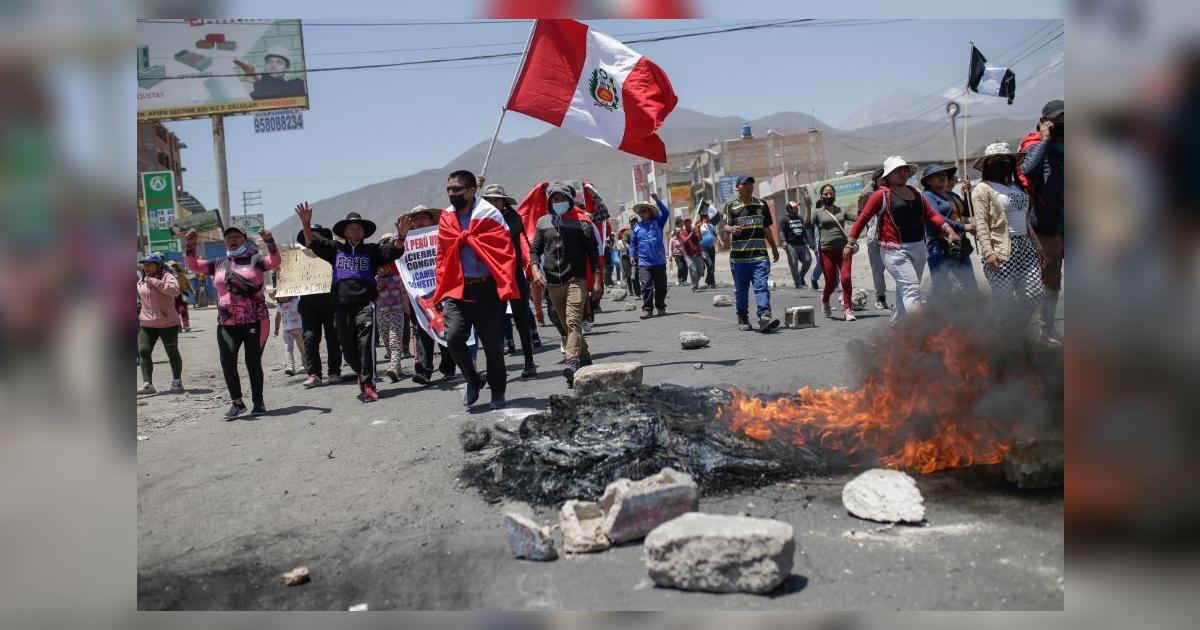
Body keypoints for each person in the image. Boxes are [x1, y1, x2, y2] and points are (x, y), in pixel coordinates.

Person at [424, 170, 519, 410]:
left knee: (492, 345)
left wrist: (473, 240)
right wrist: (441, 288)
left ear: (471, 190)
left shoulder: (488, 214)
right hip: (458, 290)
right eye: (449, 190)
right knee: (453, 337)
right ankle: (473, 379)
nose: (452, 194)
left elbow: (504, 250)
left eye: (457, 189)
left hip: (486, 290)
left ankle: (498, 391)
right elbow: (443, 255)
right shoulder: (446, 218)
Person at [293, 205, 405, 403]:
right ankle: (360, 373)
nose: (355, 231)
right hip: (341, 308)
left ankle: (369, 383)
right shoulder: (335, 250)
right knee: (348, 349)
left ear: (364, 232)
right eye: (351, 228)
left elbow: (392, 251)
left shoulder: (371, 251)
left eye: (359, 228)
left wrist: (401, 237)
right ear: (344, 232)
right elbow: (311, 241)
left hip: (365, 305)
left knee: (366, 344)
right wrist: (306, 223)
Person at [845, 157, 961, 325]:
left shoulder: (916, 193)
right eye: (897, 170)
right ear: (888, 175)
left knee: (904, 289)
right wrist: (851, 242)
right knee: (911, 289)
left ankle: (897, 327)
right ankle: (922, 330)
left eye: (905, 169)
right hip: (894, 250)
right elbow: (863, 217)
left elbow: (932, 215)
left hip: (919, 248)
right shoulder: (881, 195)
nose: (902, 172)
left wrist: (949, 230)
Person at [185, 225, 280, 418]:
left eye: (237, 236)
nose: (233, 240)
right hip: (227, 323)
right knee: (227, 361)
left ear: (244, 240)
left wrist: (270, 241)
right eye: (229, 238)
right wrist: (190, 245)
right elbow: (193, 265)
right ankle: (237, 403)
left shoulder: (256, 260)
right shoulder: (218, 263)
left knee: (252, 362)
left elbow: (275, 261)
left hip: (254, 320)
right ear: (225, 242)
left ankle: (258, 402)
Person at [530, 181, 604, 388]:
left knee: (573, 322)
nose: (559, 202)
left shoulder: (582, 222)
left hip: (576, 280)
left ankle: (572, 361)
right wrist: (535, 269)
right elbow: (534, 250)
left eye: (563, 198)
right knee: (567, 326)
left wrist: (597, 280)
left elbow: (593, 254)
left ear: (570, 201)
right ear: (549, 202)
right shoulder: (543, 223)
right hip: (552, 283)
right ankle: (586, 357)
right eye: (555, 199)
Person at [971, 142, 1048, 337]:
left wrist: (1037, 247)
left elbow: (1025, 220)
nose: (1002, 163)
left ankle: (1015, 328)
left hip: (1025, 245)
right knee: (1003, 299)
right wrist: (988, 252)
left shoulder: (1017, 187)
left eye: (1006, 159)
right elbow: (981, 223)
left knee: (1034, 292)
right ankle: (999, 337)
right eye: (996, 160)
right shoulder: (983, 189)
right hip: (1000, 248)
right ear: (988, 164)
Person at [481, 183, 539, 378]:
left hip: (513, 275)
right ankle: (497, 367)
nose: (492, 203)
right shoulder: (479, 220)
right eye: (488, 199)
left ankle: (529, 361)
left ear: (503, 201)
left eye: (496, 199)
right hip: (491, 277)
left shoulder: (513, 218)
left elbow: (502, 235)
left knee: (521, 318)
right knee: (494, 323)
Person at [1019, 99, 1065, 343]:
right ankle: (1042, 329)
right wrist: (1045, 139)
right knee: (1049, 281)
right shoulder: (1035, 144)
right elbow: (1026, 171)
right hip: (1048, 226)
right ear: (1046, 122)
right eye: (1059, 121)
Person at [721, 176, 781, 332]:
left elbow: (766, 228)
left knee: (761, 286)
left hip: (759, 255)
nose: (749, 186)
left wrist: (774, 247)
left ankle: (764, 316)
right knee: (741, 291)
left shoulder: (761, 204)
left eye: (751, 183)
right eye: (745, 184)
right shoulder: (730, 206)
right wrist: (731, 229)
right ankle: (742, 316)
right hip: (739, 258)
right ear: (738, 187)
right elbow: (725, 225)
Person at [294, 223, 343, 388]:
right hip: (308, 305)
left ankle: (334, 372)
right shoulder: (297, 259)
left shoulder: (333, 255)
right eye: (309, 235)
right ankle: (314, 374)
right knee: (309, 337)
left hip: (331, 303)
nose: (312, 238)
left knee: (333, 337)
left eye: (315, 235)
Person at [920, 163, 979, 301]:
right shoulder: (928, 196)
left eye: (944, 174)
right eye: (937, 175)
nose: (942, 177)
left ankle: (971, 316)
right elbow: (936, 217)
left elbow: (967, 211)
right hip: (938, 245)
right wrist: (963, 227)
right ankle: (936, 316)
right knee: (943, 286)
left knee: (969, 283)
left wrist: (967, 195)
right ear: (928, 181)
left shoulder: (952, 195)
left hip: (959, 244)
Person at [136, 253, 184, 395]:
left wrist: (156, 283)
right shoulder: (142, 279)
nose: (146, 267)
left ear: (158, 266)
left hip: (167, 322)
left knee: (171, 351)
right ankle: (148, 383)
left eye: (149, 264)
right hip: (147, 322)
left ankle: (177, 380)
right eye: (144, 264)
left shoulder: (167, 276)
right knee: (143, 350)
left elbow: (175, 291)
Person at [813, 184, 859, 321]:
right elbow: (807, 224)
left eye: (831, 193)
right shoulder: (817, 212)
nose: (828, 196)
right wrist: (808, 210)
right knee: (831, 283)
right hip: (826, 251)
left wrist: (861, 205)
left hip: (844, 250)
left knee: (845, 278)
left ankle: (848, 309)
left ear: (834, 195)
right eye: (825, 194)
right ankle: (825, 300)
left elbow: (858, 218)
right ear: (821, 196)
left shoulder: (841, 211)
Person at [629, 193, 671, 319]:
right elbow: (633, 244)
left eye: (645, 210)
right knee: (646, 285)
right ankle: (647, 309)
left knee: (661, 286)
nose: (642, 213)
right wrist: (632, 255)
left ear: (650, 212)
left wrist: (657, 200)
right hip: (644, 263)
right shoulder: (637, 227)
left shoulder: (658, 222)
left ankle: (660, 306)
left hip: (659, 261)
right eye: (640, 211)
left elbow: (666, 212)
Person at [375, 238, 408, 383]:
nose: (383, 270)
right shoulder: (374, 280)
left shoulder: (397, 278)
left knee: (394, 340)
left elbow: (404, 295)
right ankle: (397, 366)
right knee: (386, 341)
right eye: (380, 267)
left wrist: (407, 311)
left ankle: (393, 367)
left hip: (396, 312)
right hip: (381, 314)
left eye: (386, 267)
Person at [857, 167, 891, 309]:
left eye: (887, 177)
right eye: (882, 178)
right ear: (876, 180)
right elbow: (861, 216)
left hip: (891, 237)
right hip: (874, 238)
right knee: (877, 270)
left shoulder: (894, 194)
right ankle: (880, 297)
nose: (885, 180)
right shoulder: (868, 196)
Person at [234, 47, 307, 100]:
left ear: (286, 68)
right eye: (269, 62)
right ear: (265, 67)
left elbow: (280, 91)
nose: (273, 65)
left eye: (279, 62)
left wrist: (260, 78)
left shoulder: (296, 85)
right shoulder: (252, 96)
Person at [779, 200, 814, 289]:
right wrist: (783, 241)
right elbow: (781, 231)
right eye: (794, 208)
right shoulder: (784, 219)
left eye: (796, 207)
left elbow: (804, 229)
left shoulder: (800, 218)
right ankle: (798, 283)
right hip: (791, 245)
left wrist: (809, 242)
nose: (796, 209)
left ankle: (801, 275)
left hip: (802, 244)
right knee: (794, 264)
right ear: (789, 209)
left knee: (808, 260)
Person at [271, 289, 305, 376]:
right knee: (288, 348)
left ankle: (305, 364)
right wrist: (276, 329)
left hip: (299, 328)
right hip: (287, 330)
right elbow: (277, 318)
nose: (281, 298)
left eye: (283, 295)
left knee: (302, 348)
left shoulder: (297, 301)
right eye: (279, 296)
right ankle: (290, 366)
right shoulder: (279, 305)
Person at [674, 216, 703, 292]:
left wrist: (698, 229)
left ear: (690, 222)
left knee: (700, 271)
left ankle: (695, 283)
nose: (687, 223)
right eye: (686, 222)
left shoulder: (694, 230)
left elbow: (699, 237)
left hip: (698, 253)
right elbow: (685, 240)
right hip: (688, 255)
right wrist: (691, 233)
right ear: (684, 223)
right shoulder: (682, 232)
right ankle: (694, 286)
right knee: (693, 269)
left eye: (689, 222)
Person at [168, 260, 193, 332]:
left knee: (183, 311)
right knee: (175, 312)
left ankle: (186, 326)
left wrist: (193, 292)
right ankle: (178, 326)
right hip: (173, 295)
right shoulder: (168, 276)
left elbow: (188, 283)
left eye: (175, 266)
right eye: (172, 266)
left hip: (183, 294)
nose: (174, 267)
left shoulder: (181, 274)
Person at [696, 213, 718, 289]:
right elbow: (698, 237)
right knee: (709, 264)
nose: (707, 219)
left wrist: (719, 241)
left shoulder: (711, 225)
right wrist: (698, 228)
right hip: (703, 248)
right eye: (705, 218)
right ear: (702, 219)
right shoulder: (699, 226)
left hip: (711, 247)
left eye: (708, 217)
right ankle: (709, 282)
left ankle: (710, 281)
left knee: (712, 266)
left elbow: (715, 234)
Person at [670, 219, 690, 286]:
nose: (679, 233)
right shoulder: (673, 239)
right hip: (677, 255)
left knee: (685, 267)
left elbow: (684, 245)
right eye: (677, 232)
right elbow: (670, 248)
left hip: (683, 254)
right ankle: (679, 279)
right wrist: (670, 256)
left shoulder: (682, 237)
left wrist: (686, 254)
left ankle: (684, 280)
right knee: (680, 267)